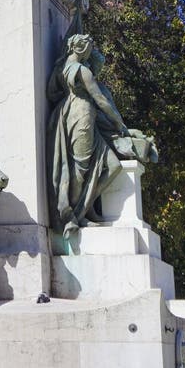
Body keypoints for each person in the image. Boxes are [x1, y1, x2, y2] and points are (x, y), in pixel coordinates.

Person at [47, 33, 129, 233]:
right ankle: (73, 216)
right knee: (80, 170)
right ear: (79, 48)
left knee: (113, 165)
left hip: (74, 115)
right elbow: (101, 100)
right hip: (82, 117)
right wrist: (119, 123)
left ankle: (85, 207)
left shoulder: (61, 68)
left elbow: (52, 93)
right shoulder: (82, 71)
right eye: (89, 49)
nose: (91, 53)